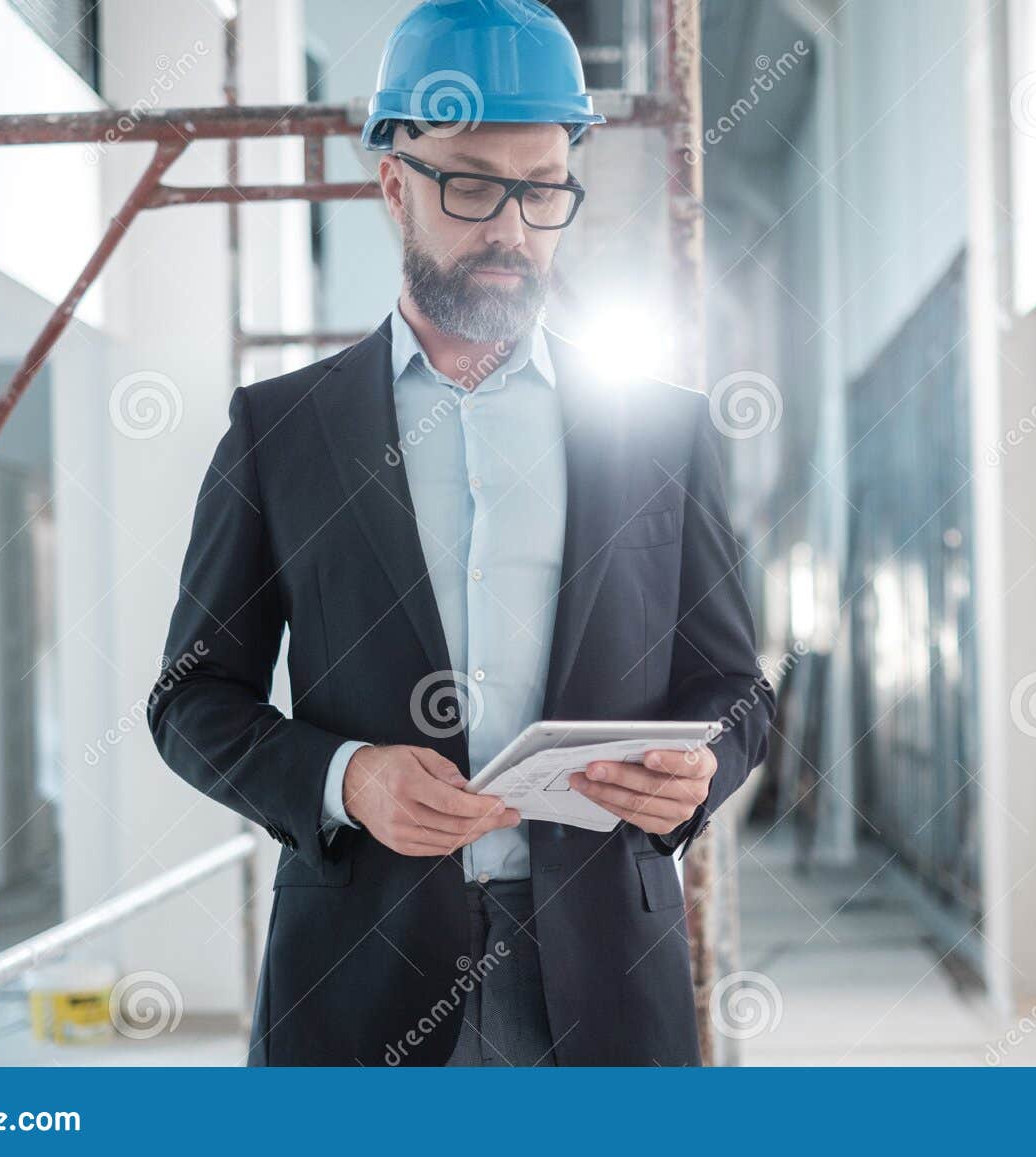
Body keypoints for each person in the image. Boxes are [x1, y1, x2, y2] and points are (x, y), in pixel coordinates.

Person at [148, 0, 772, 1066]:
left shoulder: (659, 427)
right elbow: (191, 699)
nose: (511, 229)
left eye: (541, 191)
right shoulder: (282, 430)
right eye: (473, 186)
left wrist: (701, 768)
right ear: (394, 184)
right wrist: (347, 776)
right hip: (357, 980)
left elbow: (736, 688)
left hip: (608, 984)